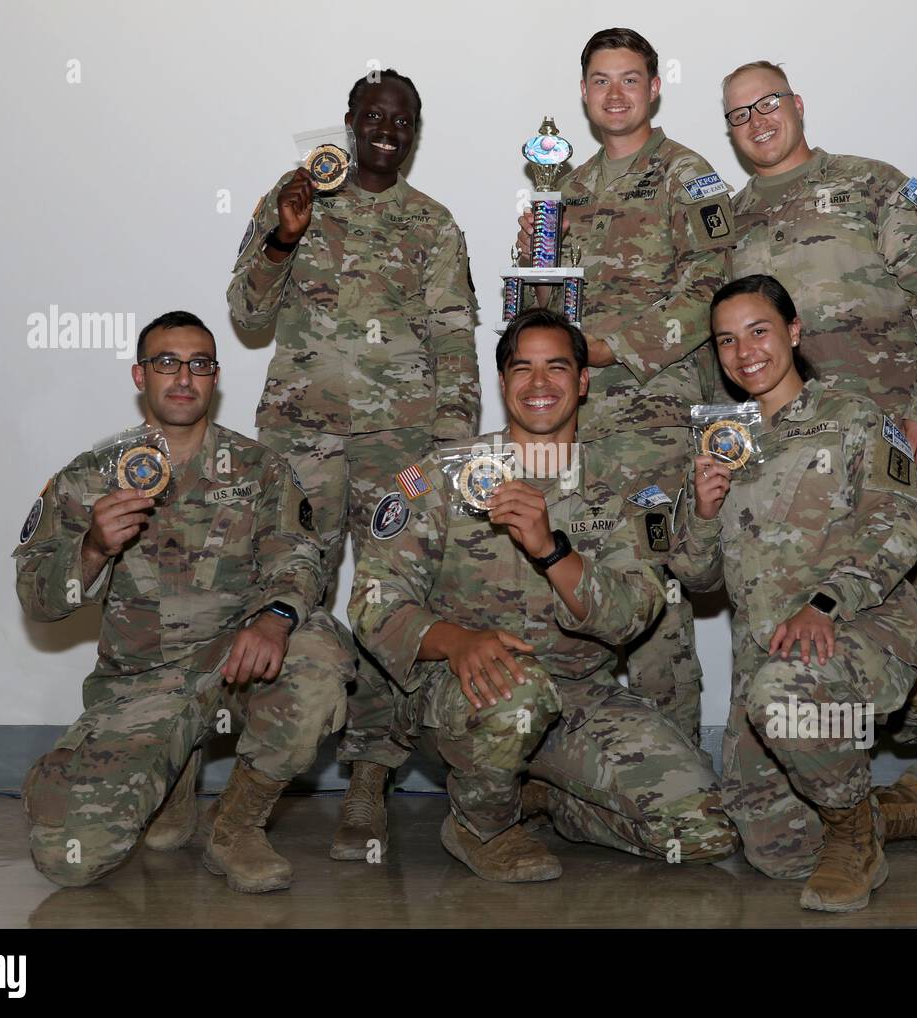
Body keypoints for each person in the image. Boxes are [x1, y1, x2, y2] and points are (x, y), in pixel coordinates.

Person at [348, 308, 739, 882]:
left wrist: (553, 551)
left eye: (557, 368)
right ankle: (483, 827)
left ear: (583, 382)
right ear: (503, 381)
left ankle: (554, 800)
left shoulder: (628, 489)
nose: (538, 384)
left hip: (580, 696)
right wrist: (455, 643)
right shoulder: (440, 475)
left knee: (707, 829)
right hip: (467, 691)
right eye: (521, 369)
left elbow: (633, 615)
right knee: (520, 700)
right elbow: (373, 598)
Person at [226, 70, 480, 860]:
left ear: (414, 133)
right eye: (373, 116)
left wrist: (449, 454)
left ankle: (370, 777)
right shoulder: (297, 193)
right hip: (299, 438)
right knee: (276, 589)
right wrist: (284, 237)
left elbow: (454, 345)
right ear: (348, 121)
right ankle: (243, 787)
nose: (385, 130)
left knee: (388, 603)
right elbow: (245, 311)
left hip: (397, 449)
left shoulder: (432, 224)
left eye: (401, 121)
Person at [671, 277, 917, 911]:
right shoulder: (719, 441)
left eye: (759, 331)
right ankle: (908, 809)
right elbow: (696, 578)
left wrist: (826, 603)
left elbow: (901, 528)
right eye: (726, 340)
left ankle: (852, 837)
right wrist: (702, 510)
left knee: (785, 697)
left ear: (793, 331)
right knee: (776, 851)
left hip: (862, 630)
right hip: (768, 660)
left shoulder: (853, 417)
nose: (744, 352)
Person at [14, 311, 354, 893]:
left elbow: (301, 557)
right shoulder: (90, 476)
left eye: (199, 364)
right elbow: (38, 599)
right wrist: (92, 548)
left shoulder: (259, 469)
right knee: (68, 861)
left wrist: (274, 619)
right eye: (166, 363)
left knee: (317, 660)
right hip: (141, 682)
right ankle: (169, 771)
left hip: (237, 663)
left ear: (214, 377)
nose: (182, 377)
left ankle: (237, 825)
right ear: (139, 375)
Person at [720, 60, 917, 800]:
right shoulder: (731, 219)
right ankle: (823, 777)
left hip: (886, 441)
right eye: (739, 114)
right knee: (802, 605)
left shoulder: (870, 185)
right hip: (785, 463)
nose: (757, 121)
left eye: (768, 104)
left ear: (796, 104)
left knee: (907, 591)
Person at [515, 27, 735, 744]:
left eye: (630, 79)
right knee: (568, 578)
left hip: (653, 417)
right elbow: (546, 309)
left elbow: (713, 286)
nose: (616, 94)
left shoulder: (688, 175)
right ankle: (570, 762)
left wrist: (614, 348)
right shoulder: (564, 188)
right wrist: (533, 268)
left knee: (656, 593)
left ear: (655, 87)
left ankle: (678, 767)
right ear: (583, 94)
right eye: (601, 81)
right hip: (569, 423)